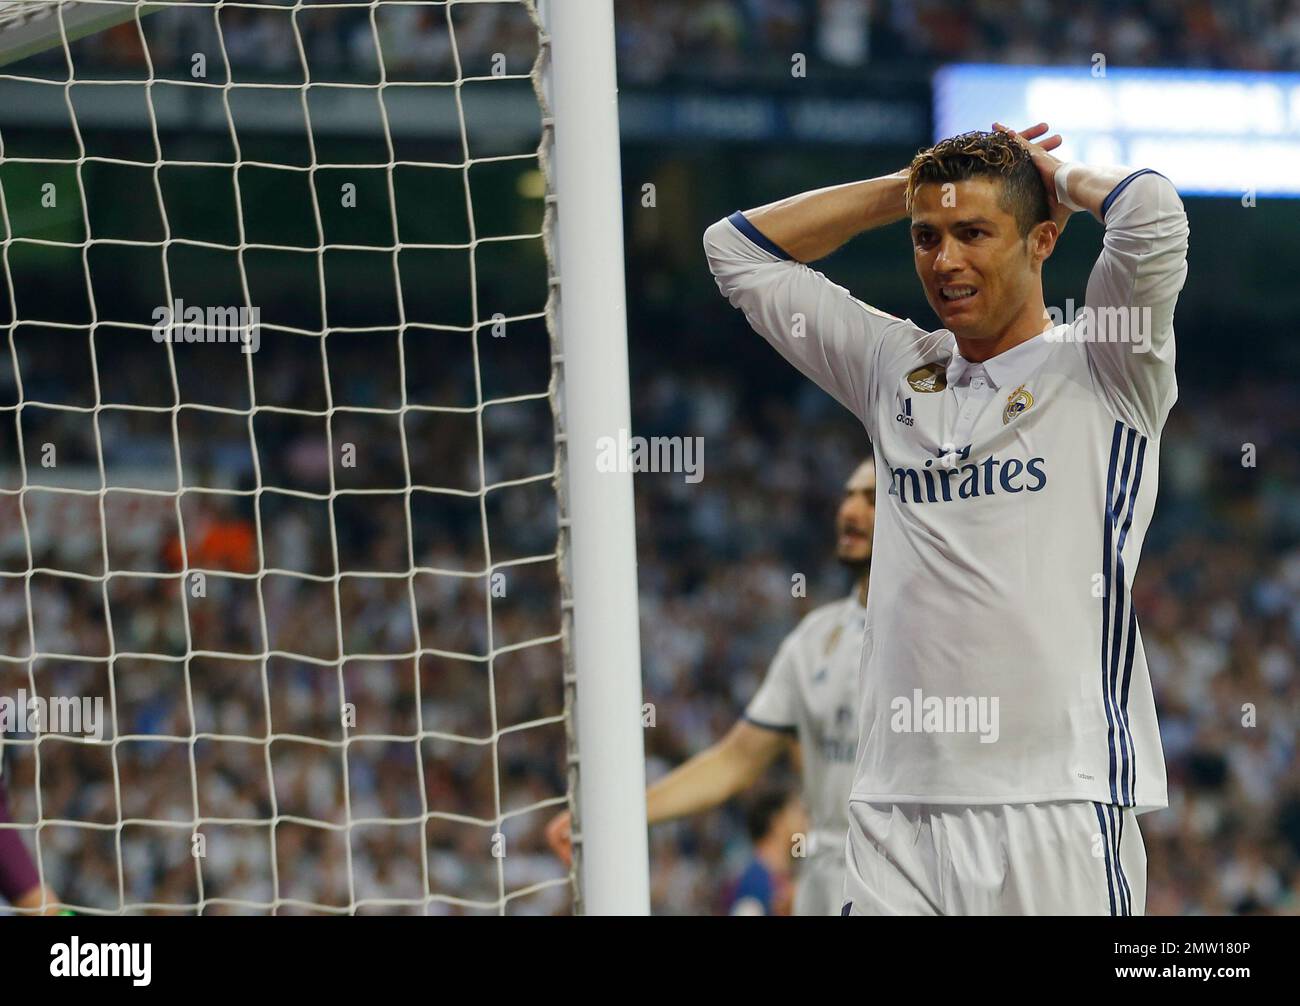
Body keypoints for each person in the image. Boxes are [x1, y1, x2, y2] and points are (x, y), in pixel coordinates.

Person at [704, 123, 1188, 915]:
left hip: (1056, 802)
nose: (944, 260)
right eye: (926, 237)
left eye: (973, 232)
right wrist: (909, 190)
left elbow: (1154, 214)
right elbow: (736, 249)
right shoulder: (896, 367)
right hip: (895, 812)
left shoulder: (1107, 363)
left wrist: (1055, 179)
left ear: (1042, 240)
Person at [547, 460, 875, 914]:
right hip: (826, 882)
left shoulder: (944, 631)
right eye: (849, 495)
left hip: (906, 875)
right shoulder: (814, 639)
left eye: (873, 499)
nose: (851, 510)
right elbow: (734, 761)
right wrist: (612, 817)